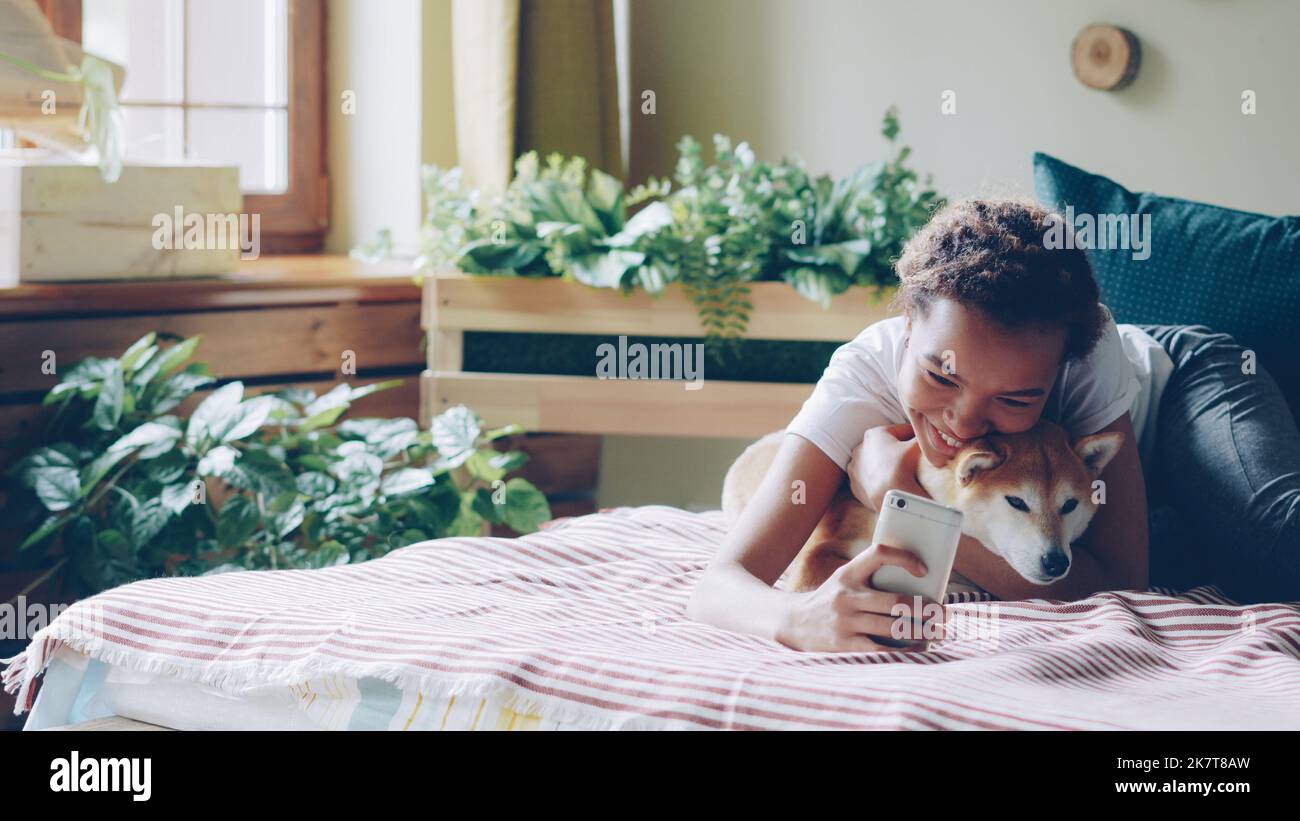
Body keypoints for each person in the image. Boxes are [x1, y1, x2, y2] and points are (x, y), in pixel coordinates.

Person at [687, 198, 1300, 653]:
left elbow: (1119, 581)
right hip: (1069, 493)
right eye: (942, 377)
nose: (964, 421)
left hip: (1185, 385)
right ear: (907, 333)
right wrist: (797, 620)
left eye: (1016, 398)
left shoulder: (1090, 357)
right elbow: (720, 584)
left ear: (1058, 372)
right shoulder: (860, 380)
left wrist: (904, 496)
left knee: (1277, 551)